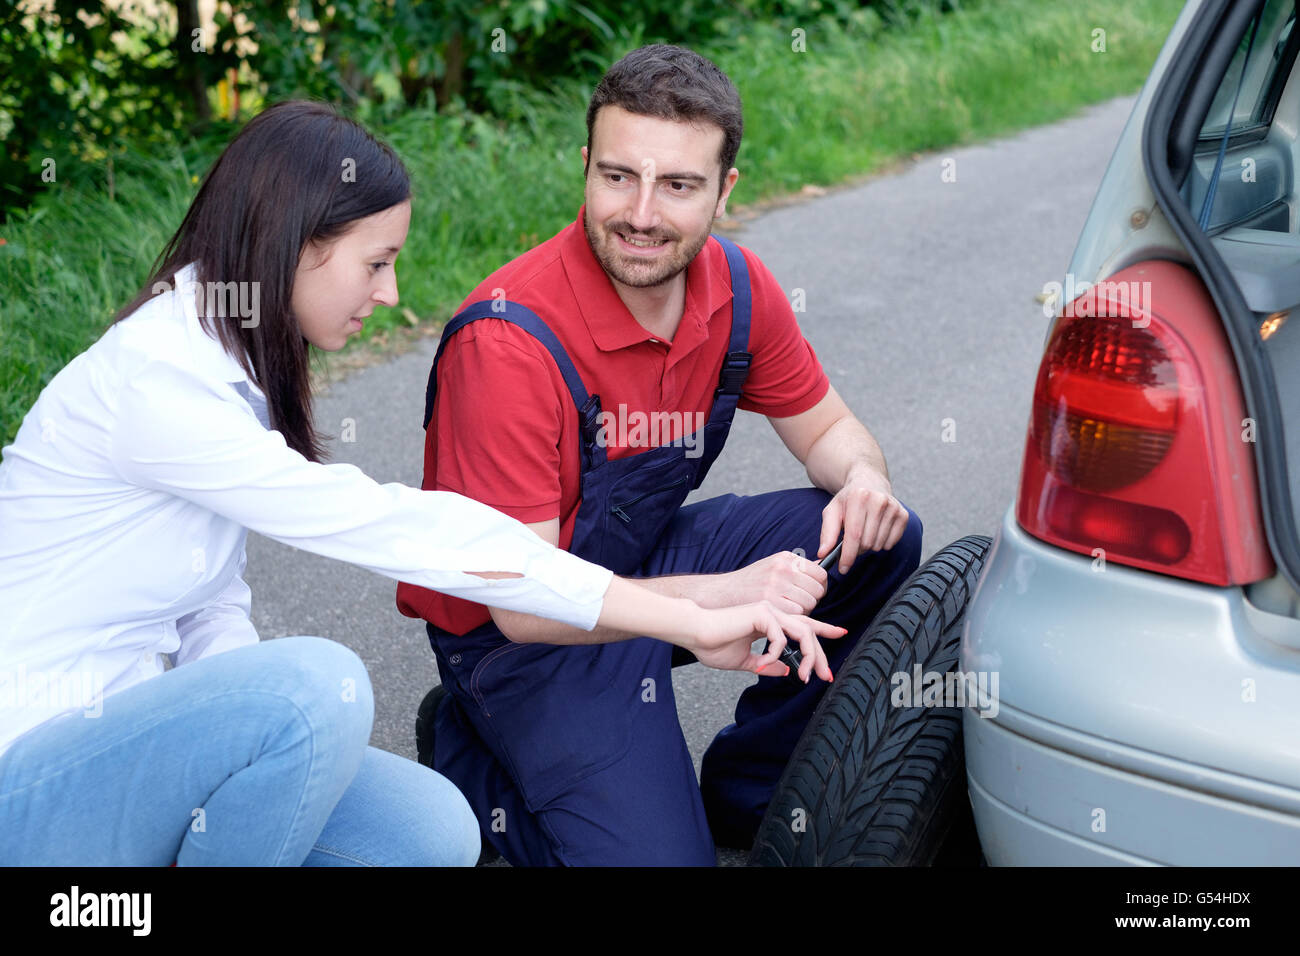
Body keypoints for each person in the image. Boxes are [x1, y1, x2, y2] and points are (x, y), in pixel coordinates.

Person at [0, 100, 844, 867]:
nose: (390, 291)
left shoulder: (228, 364)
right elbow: (409, 533)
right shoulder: (158, 387)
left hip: (140, 741)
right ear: (295, 243)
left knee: (432, 833)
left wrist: (242, 738)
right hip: (32, 772)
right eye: (376, 263)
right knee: (317, 687)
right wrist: (692, 619)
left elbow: (210, 605)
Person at [397, 44, 925, 866]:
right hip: (521, 638)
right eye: (618, 176)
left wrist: (865, 478)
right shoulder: (507, 343)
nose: (641, 213)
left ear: (724, 191)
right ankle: (471, 754)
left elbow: (829, 434)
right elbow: (529, 605)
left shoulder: (737, 287)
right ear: (585, 167)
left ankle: (751, 791)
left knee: (878, 536)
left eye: (677, 185)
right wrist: (721, 598)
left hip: (635, 564)